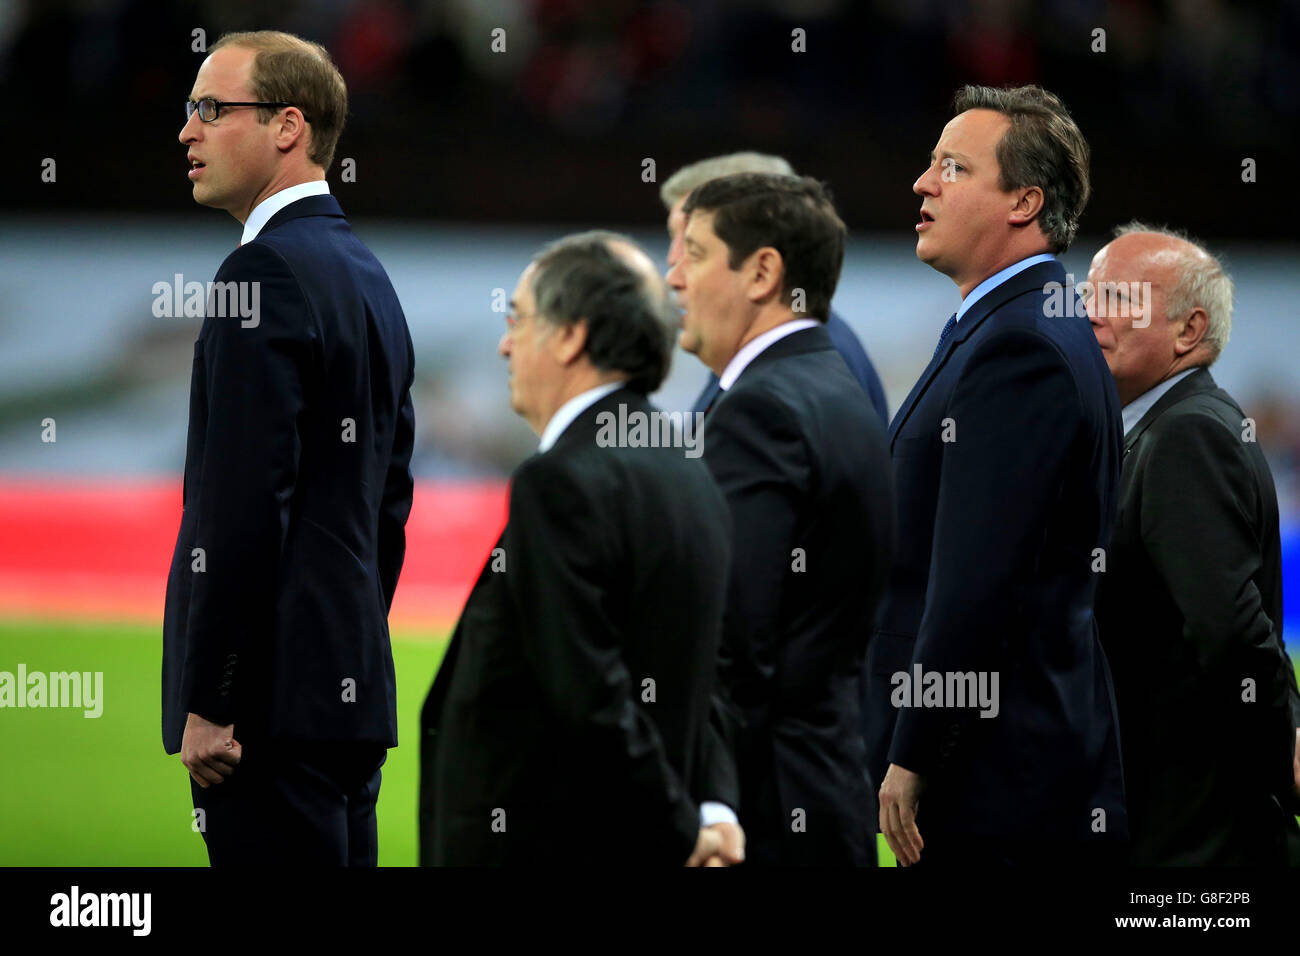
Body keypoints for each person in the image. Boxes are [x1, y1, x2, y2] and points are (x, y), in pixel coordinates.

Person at [162, 31, 415, 866]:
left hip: (263, 720)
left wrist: (214, 697)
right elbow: (389, 500)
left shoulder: (260, 274)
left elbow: (242, 507)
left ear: (287, 127)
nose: (186, 131)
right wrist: (341, 647)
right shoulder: (368, 276)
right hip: (343, 700)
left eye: (211, 108)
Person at [419, 232, 743, 866]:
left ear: (570, 336)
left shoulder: (559, 481)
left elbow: (589, 693)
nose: (505, 344)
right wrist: (713, 808)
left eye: (518, 319)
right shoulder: (688, 471)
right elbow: (708, 677)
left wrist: (684, 829)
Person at [869, 85, 1127, 867]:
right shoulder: (1015, 324)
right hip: (1006, 757)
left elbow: (977, 579)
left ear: (1024, 201)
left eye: (953, 167)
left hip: (991, 772)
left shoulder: (1020, 346)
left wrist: (915, 749)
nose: (924, 182)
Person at [667, 173, 894, 866]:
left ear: (763, 272)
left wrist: (708, 805)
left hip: (764, 809)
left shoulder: (759, 412)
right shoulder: (834, 386)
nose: (674, 277)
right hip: (825, 790)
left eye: (695, 253)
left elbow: (730, 642)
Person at [1087, 222, 1300, 866]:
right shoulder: (1154, 428)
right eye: (1088, 294)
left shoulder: (1187, 435)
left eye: (1118, 297)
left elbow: (1231, 630)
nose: (1090, 312)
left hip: (1193, 831)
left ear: (1188, 330)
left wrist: (1285, 749)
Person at [660, 153, 889, 423]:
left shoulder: (797, 372)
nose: (674, 259)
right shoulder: (766, 359)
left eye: (694, 243)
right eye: (675, 237)